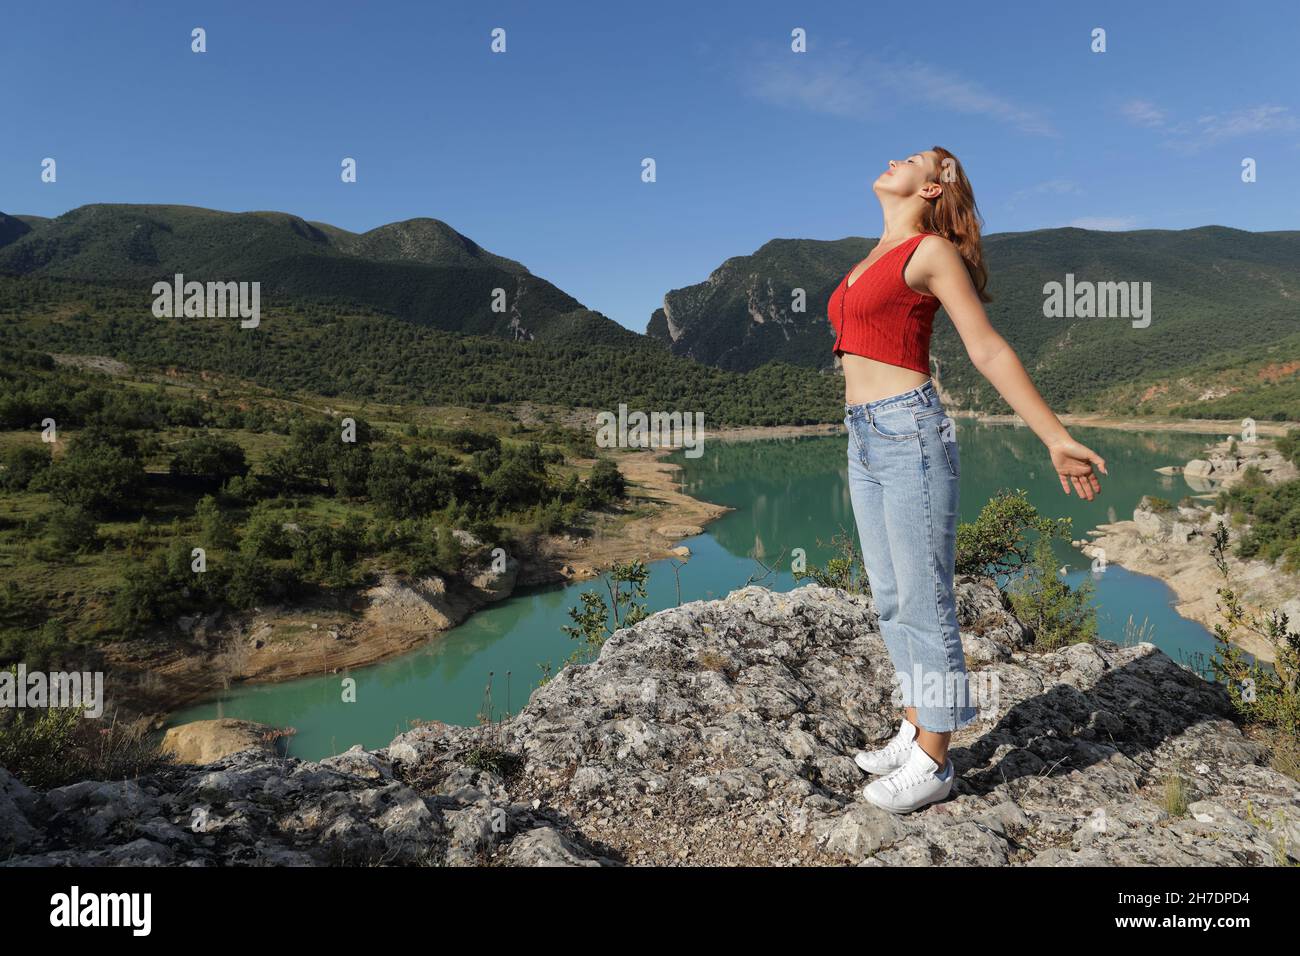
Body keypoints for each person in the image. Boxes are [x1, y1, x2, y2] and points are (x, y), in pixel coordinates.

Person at [828, 146, 1107, 814]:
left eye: (916, 159)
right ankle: (914, 723)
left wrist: (1055, 436)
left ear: (931, 188)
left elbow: (986, 347)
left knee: (924, 598)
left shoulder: (930, 253)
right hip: (863, 436)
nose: (895, 158)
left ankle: (934, 760)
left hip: (910, 435)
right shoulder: (869, 257)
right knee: (892, 594)